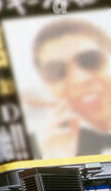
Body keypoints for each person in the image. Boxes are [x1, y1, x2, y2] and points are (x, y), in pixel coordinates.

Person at [29, 18, 111, 158]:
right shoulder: (33, 151)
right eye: (57, 71)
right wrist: (57, 164)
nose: (80, 79)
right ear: (47, 84)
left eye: (90, 60)